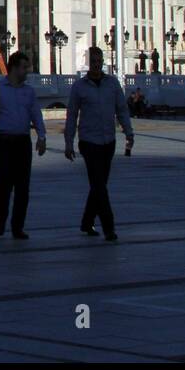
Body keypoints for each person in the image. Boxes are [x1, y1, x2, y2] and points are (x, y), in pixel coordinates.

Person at [64, 46, 134, 241]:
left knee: (99, 184)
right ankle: (109, 227)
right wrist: (69, 141)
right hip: (88, 141)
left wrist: (129, 132)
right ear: (89, 62)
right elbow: (72, 115)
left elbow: (122, 110)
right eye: (93, 61)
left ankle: (87, 222)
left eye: (99, 61)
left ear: (102, 62)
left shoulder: (112, 84)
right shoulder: (79, 86)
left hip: (108, 141)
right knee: (99, 186)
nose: (96, 65)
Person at [0, 51, 47, 239]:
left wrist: (42, 137)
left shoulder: (29, 92)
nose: (28, 71)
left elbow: (36, 115)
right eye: (25, 67)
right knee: (5, 183)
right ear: (15, 67)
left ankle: (18, 226)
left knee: (23, 187)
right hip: (4, 141)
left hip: (23, 141)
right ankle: (1, 219)